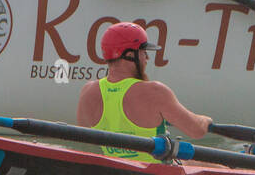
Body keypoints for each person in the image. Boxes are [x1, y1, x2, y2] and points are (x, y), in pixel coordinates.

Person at [76, 22, 211, 160]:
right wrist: (205, 121)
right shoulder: (155, 92)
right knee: (222, 168)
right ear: (129, 54)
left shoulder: (87, 92)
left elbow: (85, 145)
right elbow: (196, 130)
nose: (147, 58)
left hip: (115, 173)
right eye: (143, 52)